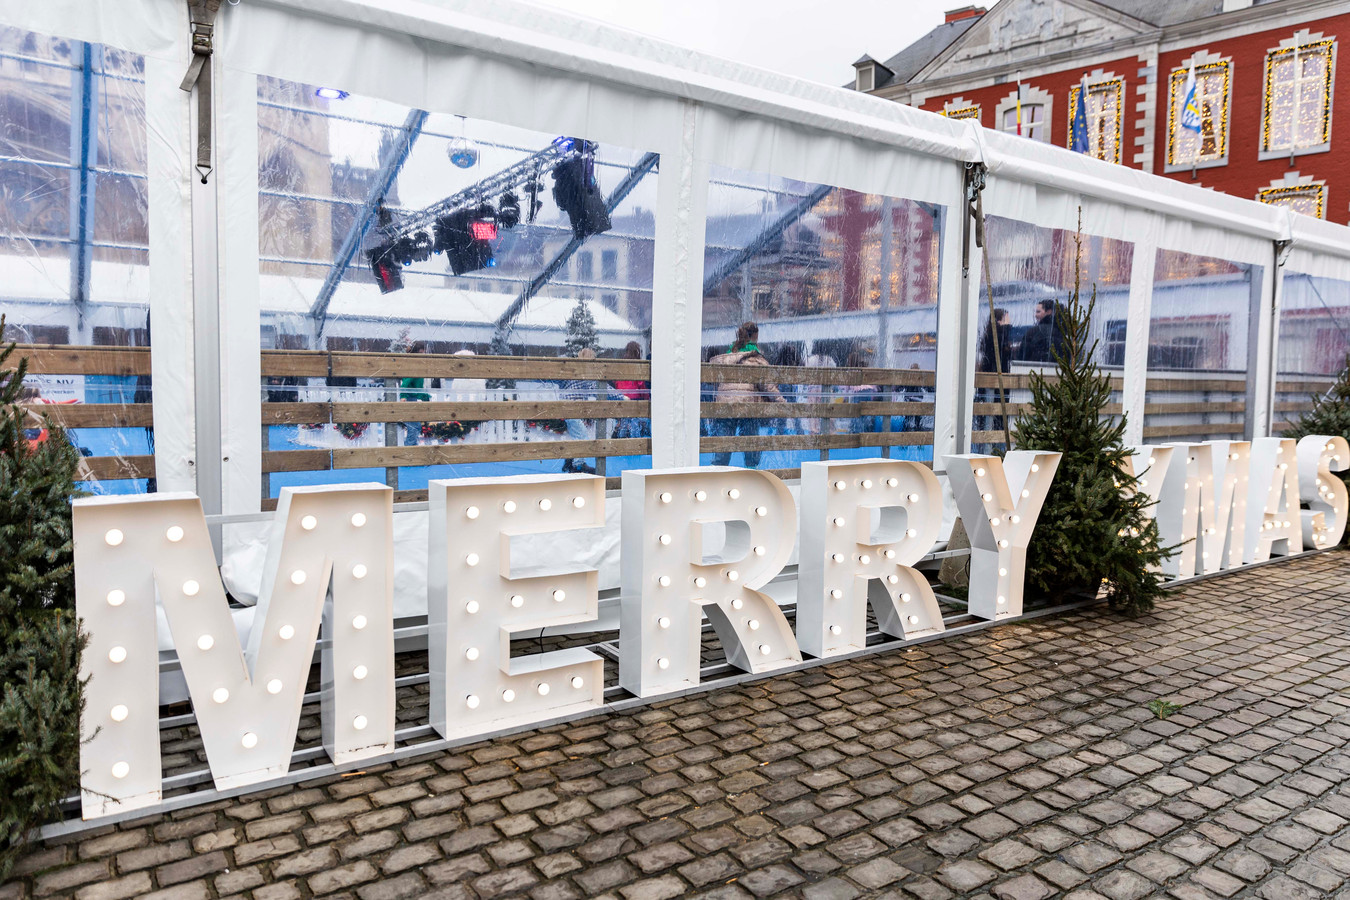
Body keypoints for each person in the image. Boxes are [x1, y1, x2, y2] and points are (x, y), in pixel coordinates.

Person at [709, 322, 783, 467]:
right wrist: (781, 402)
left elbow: (715, 382)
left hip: (725, 405)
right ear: (755, 336)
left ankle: (717, 471)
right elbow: (768, 385)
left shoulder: (727, 358)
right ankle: (752, 469)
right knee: (751, 441)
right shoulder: (756, 359)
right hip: (747, 406)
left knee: (724, 442)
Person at [976, 308, 1012, 441]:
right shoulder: (997, 335)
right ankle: (991, 444)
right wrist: (1007, 327)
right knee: (995, 415)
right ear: (999, 320)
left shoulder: (990, 335)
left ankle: (990, 442)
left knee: (992, 414)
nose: (1009, 321)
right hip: (995, 379)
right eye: (1006, 318)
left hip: (993, 378)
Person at [561, 348, 597, 474]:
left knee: (577, 435)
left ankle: (570, 461)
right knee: (581, 434)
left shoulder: (583, 376)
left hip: (574, 409)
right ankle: (577, 465)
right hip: (571, 409)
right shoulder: (576, 373)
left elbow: (596, 387)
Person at [612, 341, 649, 439]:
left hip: (622, 398)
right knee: (634, 424)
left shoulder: (622, 364)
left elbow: (616, 381)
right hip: (634, 398)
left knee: (623, 423)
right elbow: (640, 383)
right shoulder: (637, 364)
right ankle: (635, 445)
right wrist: (646, 396)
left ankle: (620, 443)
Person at [399, 341, 430, 446]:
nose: (423, 355)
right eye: (421, 353)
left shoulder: (418, 366)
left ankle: (412, 447)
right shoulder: (413, 367)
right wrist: (403, 396)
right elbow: (405, 384)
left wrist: (425, 397)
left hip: (412, 398)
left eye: (424, 353)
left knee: (415, 426)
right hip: (408, 399)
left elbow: (417, 388)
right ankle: (410, 449)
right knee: (414, 426)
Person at [1018, 299, 1065, 363]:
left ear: (1049, 312)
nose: (1035, 315)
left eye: (1038, 312)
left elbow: (1022, 356)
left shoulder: (1033, 332)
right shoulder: (1064, 331)